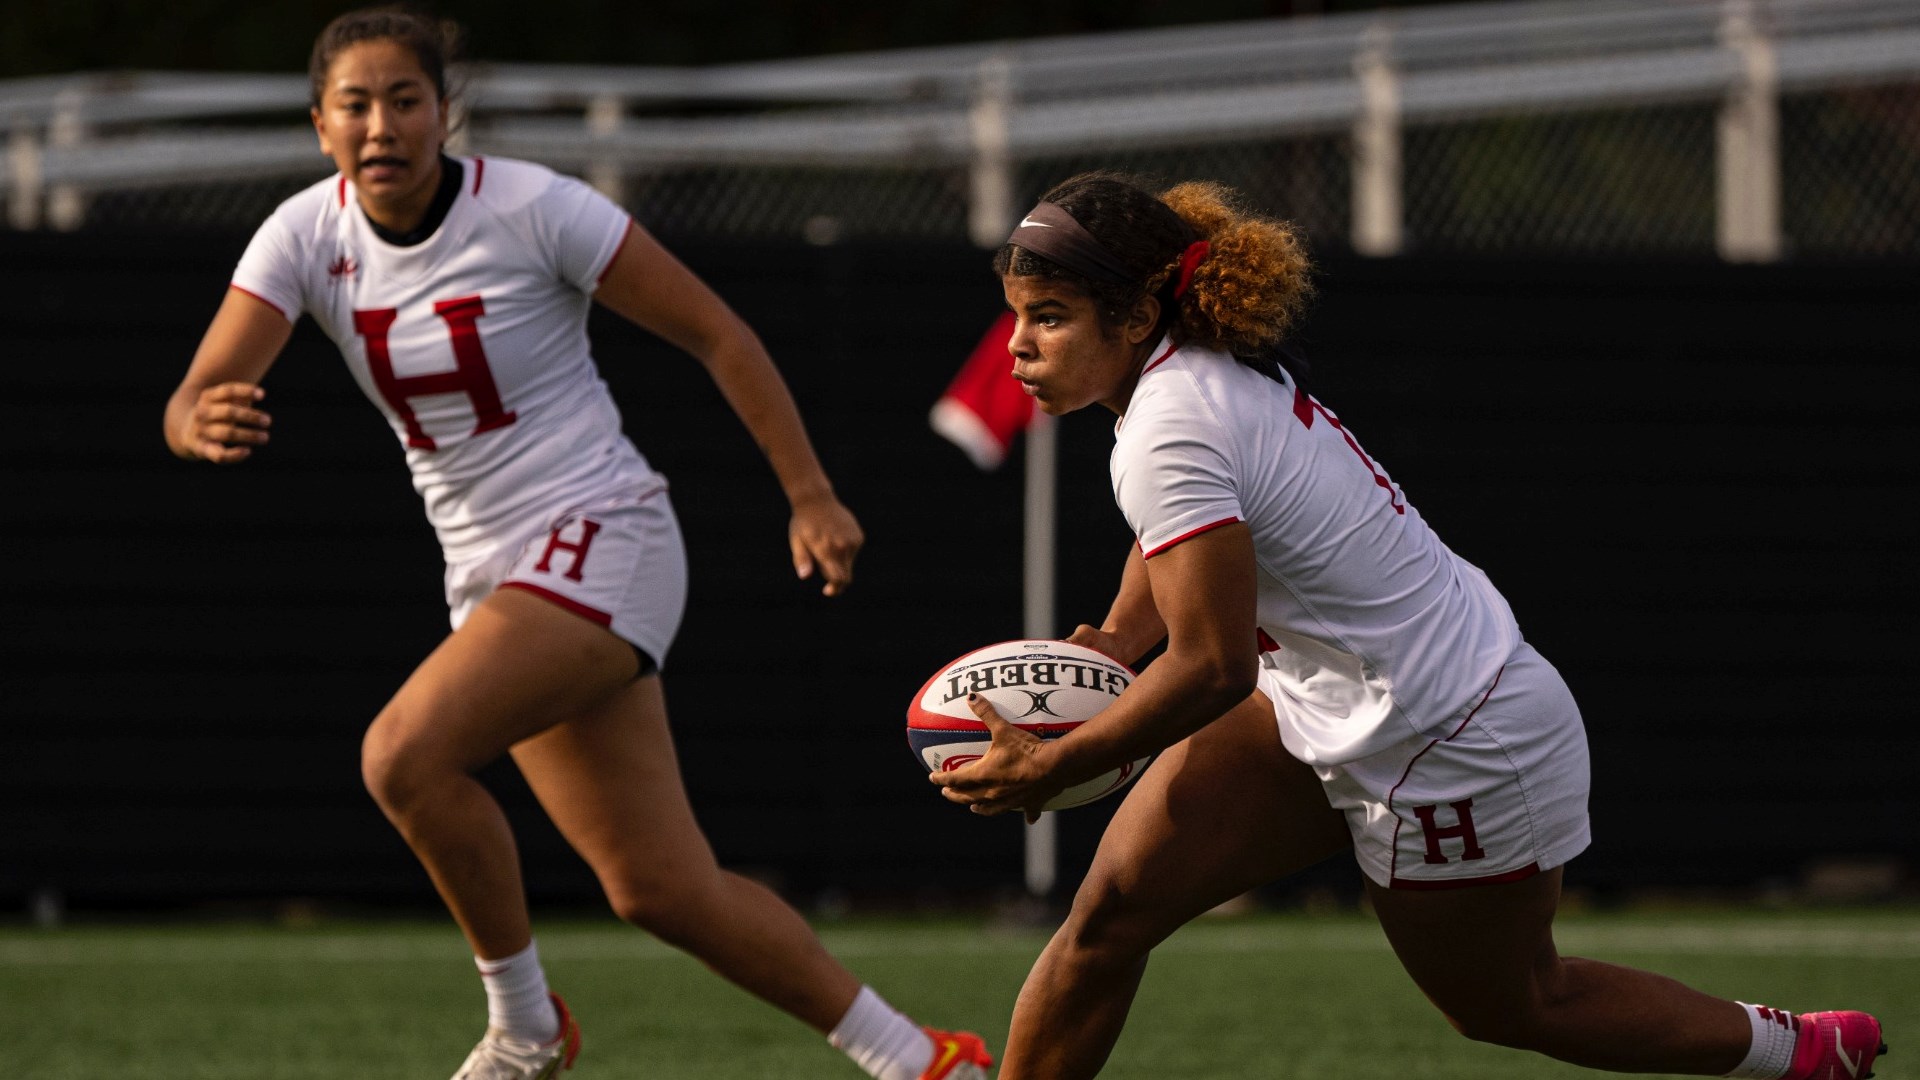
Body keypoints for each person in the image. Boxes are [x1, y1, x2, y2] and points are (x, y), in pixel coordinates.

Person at [163, 10, 992, 1080]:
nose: (383, 125)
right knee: (661, 890)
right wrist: (196, 422)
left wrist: (810, 494)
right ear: (320, 125)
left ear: (445, 112)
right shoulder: (300, 237)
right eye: (356, 105)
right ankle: (927, 1060)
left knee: (401, 757)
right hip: (496, 575)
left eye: (406, 99)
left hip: (604, 534)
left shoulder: (532, 205)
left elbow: (718, 333)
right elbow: (193, 394)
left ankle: (526, 1026)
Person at [929, 172, 1887, 1080]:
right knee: (1104, 924)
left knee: (1513, 1006)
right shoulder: (1184, 377)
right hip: (1332, 699)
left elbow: (1215, 667)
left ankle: (1798, 1052)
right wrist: (1115, 643)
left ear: (1137, 315)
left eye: (1048, 317)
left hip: (1454, 732)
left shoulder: (1168, 424)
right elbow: (1184, 544)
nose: (1017, 347)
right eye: (1017, 315)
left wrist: (1065, 760)